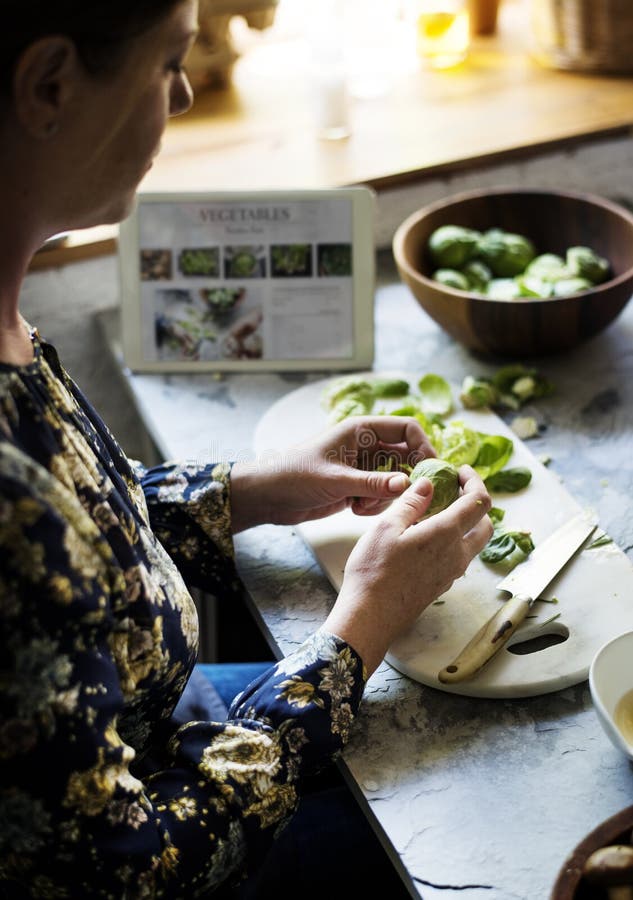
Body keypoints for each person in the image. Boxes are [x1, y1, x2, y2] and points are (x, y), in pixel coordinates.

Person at [0, 1, 494, 897]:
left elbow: (68, 537)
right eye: (168, 64)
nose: (184, 95)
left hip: (155, 712)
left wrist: (255, 490)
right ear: (50, 86)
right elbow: (125, 876)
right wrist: (361, 627)